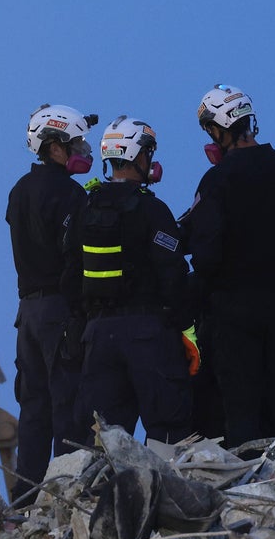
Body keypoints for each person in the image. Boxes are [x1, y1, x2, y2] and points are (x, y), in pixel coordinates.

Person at [183, 85, 275, 449]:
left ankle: (250, 495)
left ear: (219, 128)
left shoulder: (216, 181)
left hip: (234, 317)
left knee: (241, 409)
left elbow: (205, 255)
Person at [63, 116, 193, 443]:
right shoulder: (153, 210)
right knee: (168, 429)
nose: (151, 160)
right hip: (148, 335)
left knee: (101, 439)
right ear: (136, 155)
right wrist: (186, 328)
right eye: (148, 152)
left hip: (97, 338)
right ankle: (165, 491)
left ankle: (99, 493)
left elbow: (70, 276)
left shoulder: (85, 207)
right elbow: (173, 273)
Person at [5, 104, 96, 506]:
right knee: (68, 404)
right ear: (53, 146)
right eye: (74, 142)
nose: (82, 149)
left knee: (33, 409)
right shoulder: (69, 194)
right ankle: (65, 496)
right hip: (59, 310)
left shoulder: (19, 191)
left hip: (28, 315)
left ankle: (25, 500)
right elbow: (74, 258)